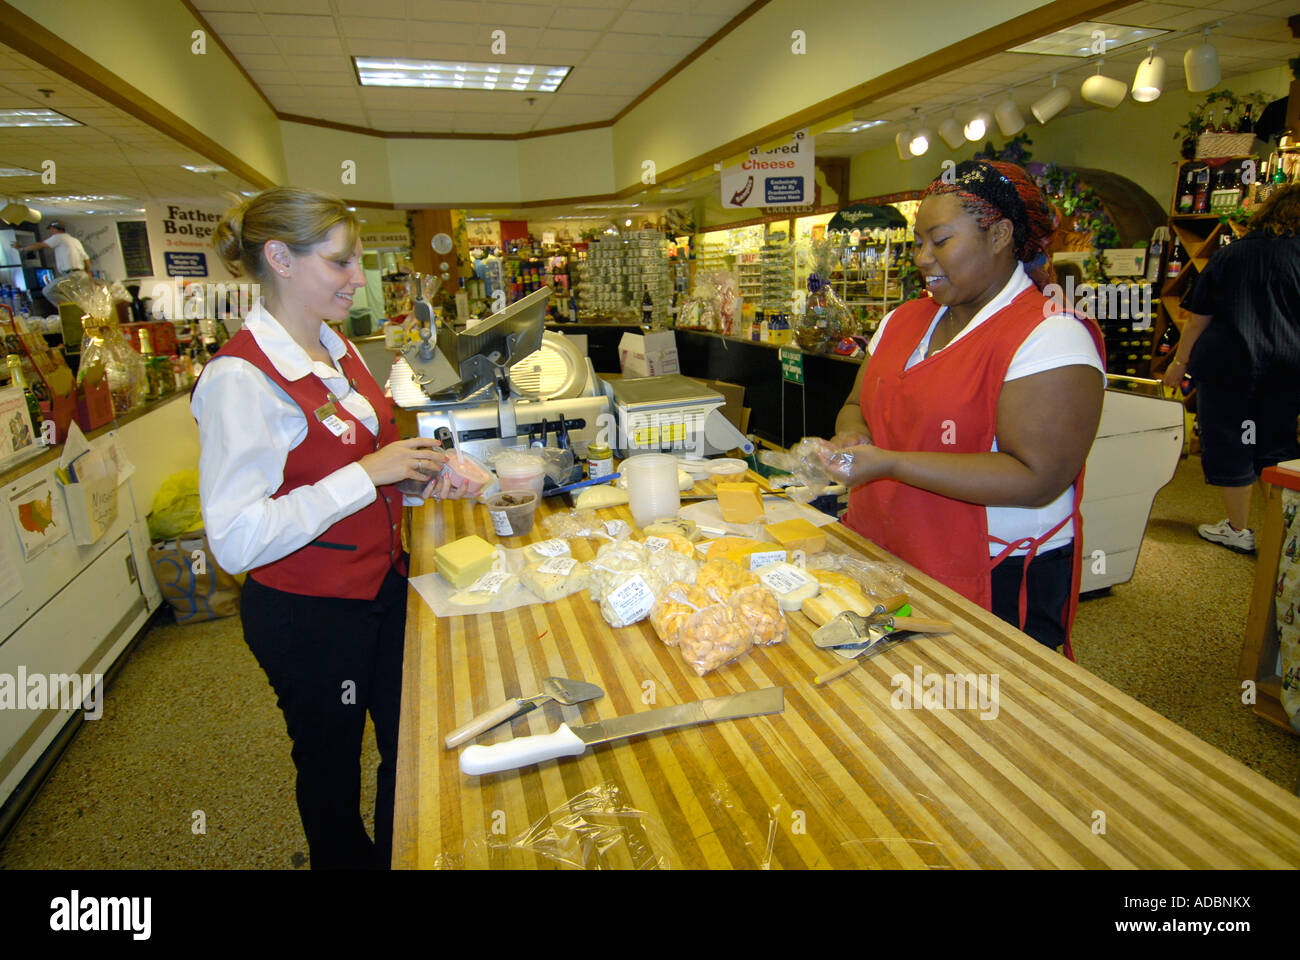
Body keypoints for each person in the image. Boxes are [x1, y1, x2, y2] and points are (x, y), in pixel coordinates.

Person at [192, 187, 471, 869]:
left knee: (410, 739)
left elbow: (347, 466)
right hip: (309, 614)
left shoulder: (333, 346)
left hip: (380, 585)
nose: (358, 278)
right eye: (341, 263)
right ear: (280, 258)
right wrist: (370, 474)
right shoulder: (240, 378)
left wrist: (411, 479)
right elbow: (236, 537)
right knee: (331, 769)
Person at [824, 160, 1105, 656]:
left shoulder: (1051, 335)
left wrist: (890, 462)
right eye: (917, 242)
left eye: (941, 240)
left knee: (991, 713)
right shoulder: (902, 322)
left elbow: (1036, 477)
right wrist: (854, 435)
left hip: (993, 574)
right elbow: (854, 404)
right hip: (892, 550)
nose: (923, 258)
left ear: (998, 236)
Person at [1162, 183, 1300, 554]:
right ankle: (1281, 535)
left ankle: (1239, 529)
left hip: (1228, 368)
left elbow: (1198, 318)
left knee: (1234, 443)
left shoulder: (1232, 254)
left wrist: (1179, 363)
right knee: (1274, 450)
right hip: (1286, 371)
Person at [10, 220, 90, 277]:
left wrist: (21, 248)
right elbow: (87, 259)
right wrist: (86, 272)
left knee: (48, 291)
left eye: (51, 229)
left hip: (71, 274)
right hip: (81, 273)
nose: (50, 231)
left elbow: (40, 245)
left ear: (54, 228)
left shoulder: (58, 237)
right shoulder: (74, 240)